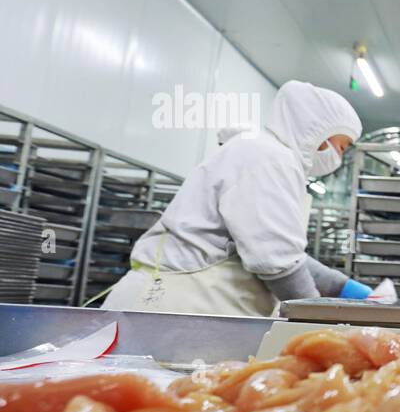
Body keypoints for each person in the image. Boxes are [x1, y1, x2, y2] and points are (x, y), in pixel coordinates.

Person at [102, 81, 372, 317]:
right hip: (170, 309)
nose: (339, 155)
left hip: (191, 308)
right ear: (318, 131)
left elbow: (280, 251)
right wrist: (315, 322)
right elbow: (277, 262)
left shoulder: (268, 157)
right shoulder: (268, 158)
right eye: (342, 145)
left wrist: (343, 288)